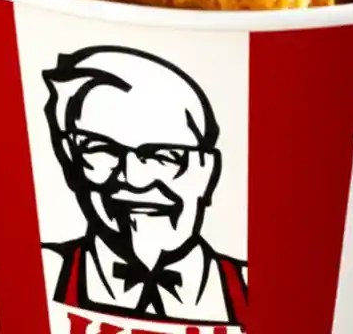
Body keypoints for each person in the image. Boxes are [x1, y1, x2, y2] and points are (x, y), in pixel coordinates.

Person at [40, 46, 247, 326]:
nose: (135, 179)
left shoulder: (256, 287)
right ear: (69, 159)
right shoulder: (42, 271)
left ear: (207, 171)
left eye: (165, 155)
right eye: (102, 149)